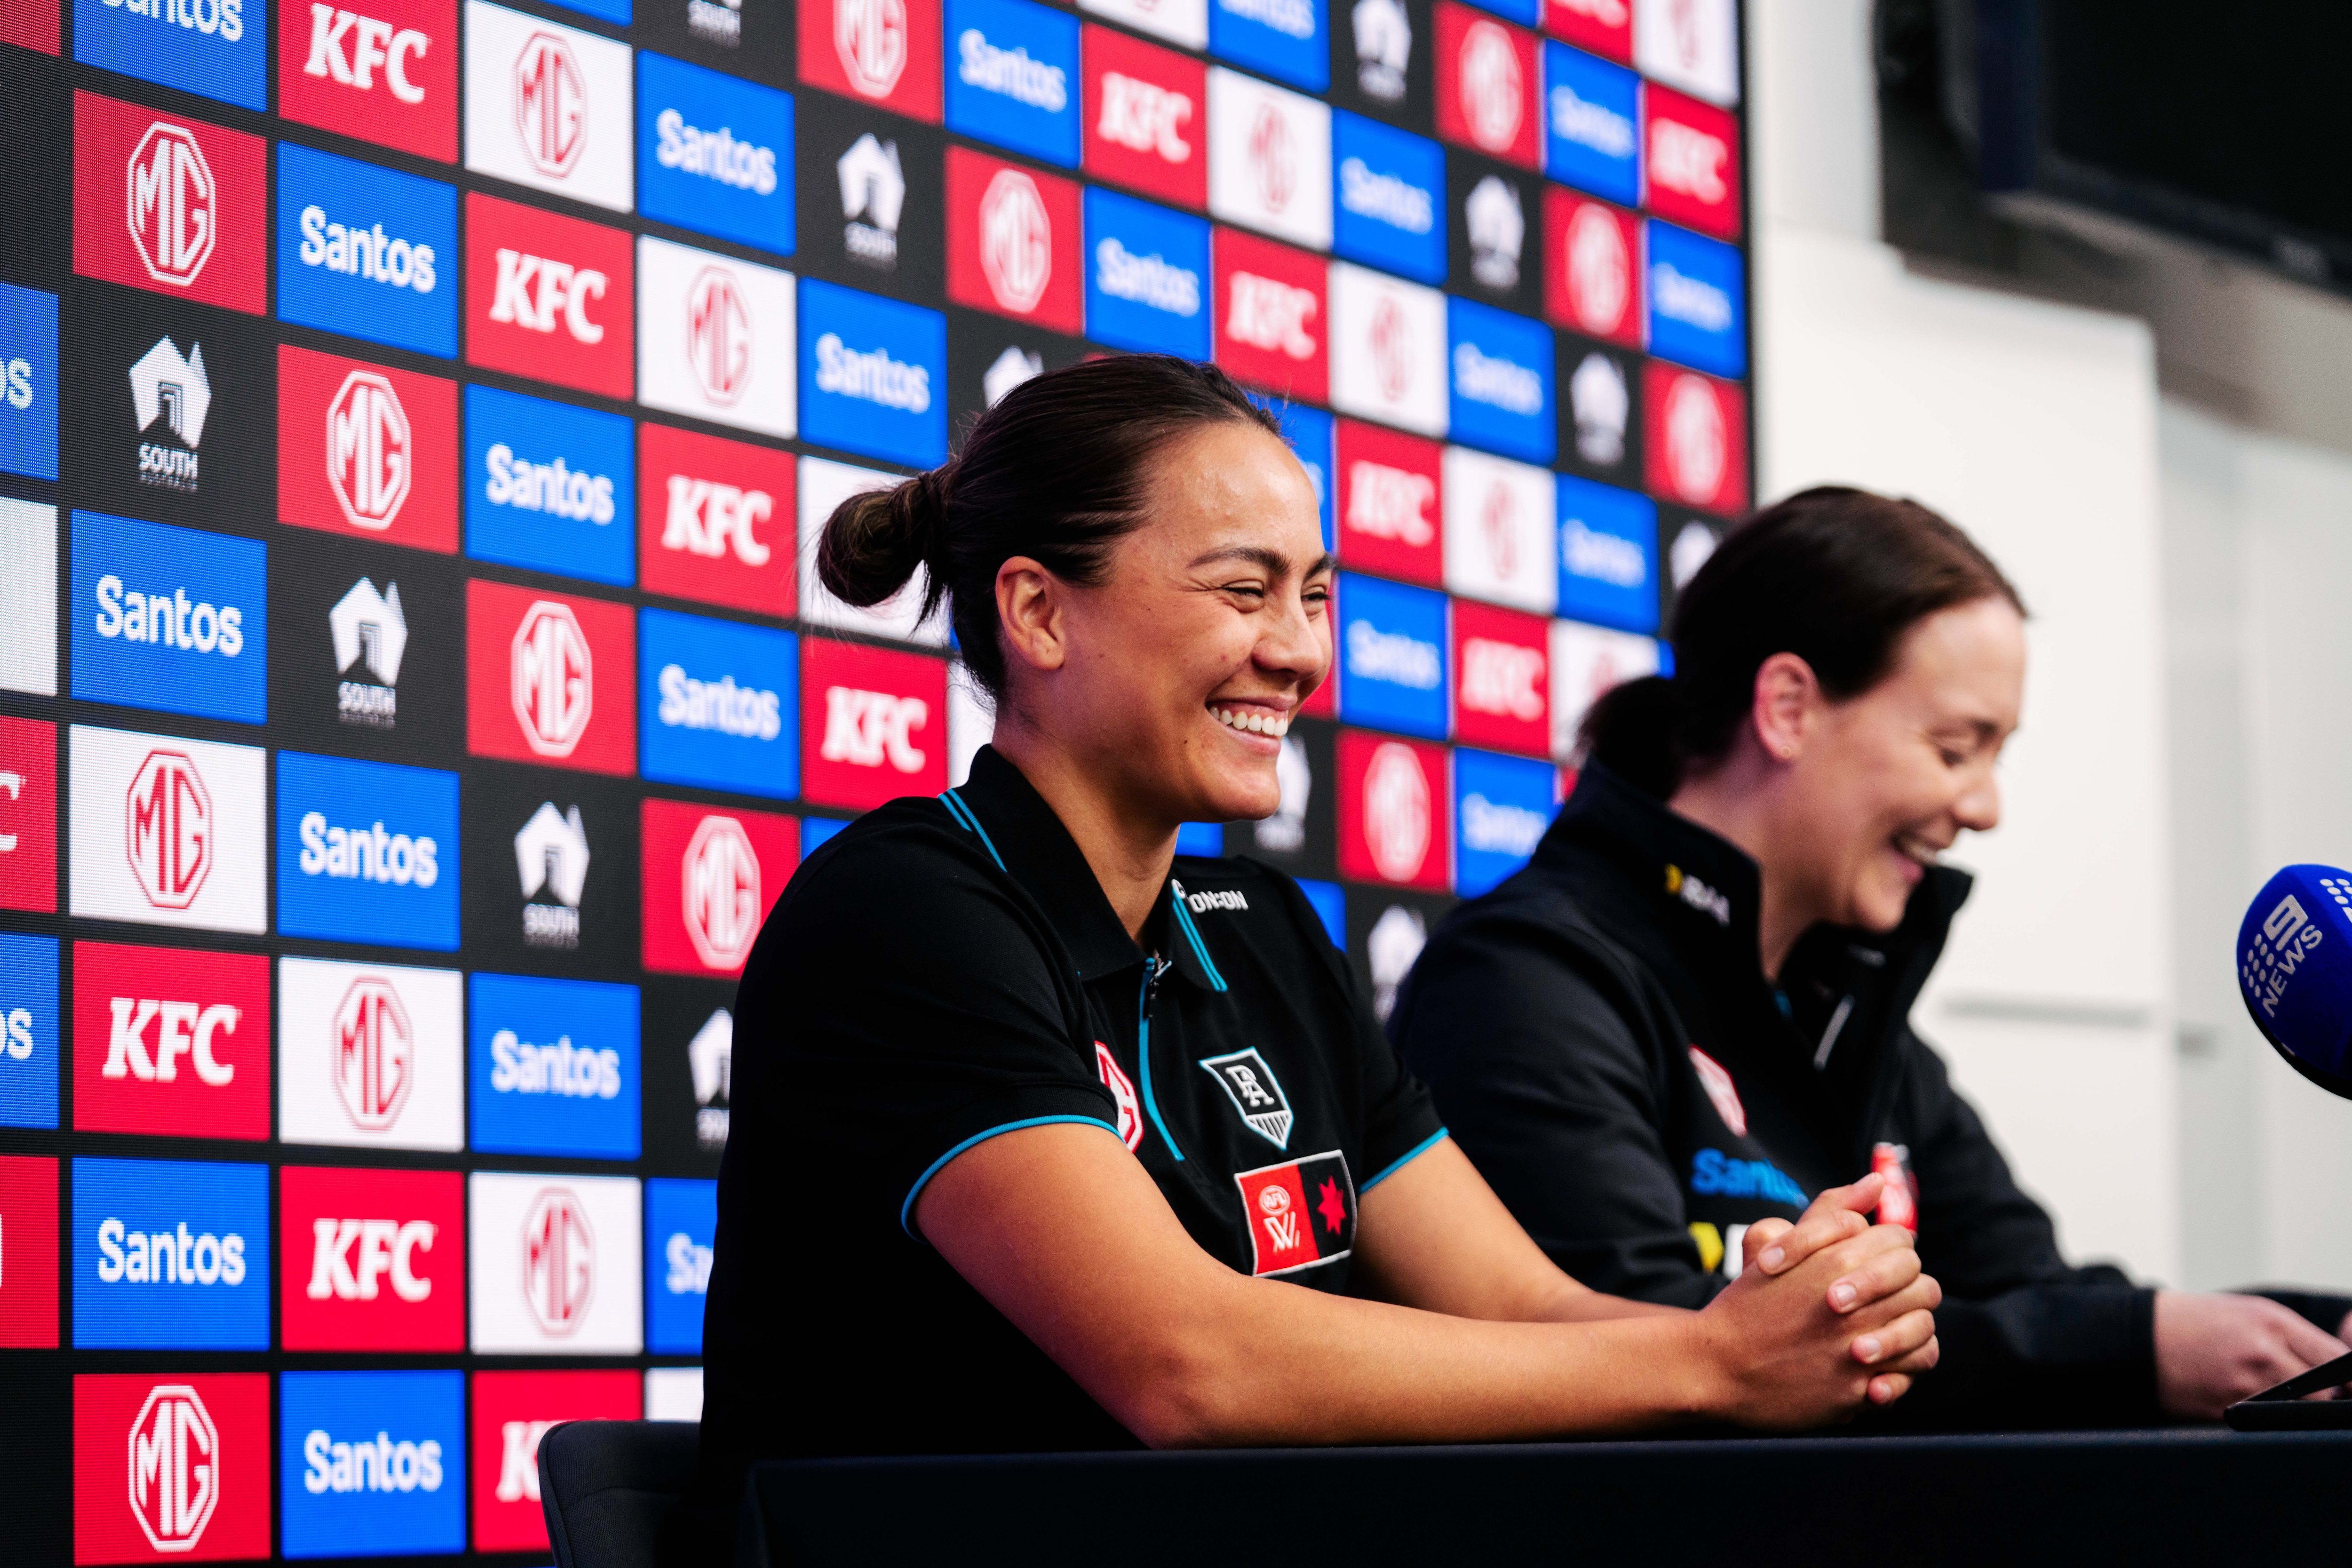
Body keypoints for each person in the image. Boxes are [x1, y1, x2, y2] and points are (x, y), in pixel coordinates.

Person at [679, 360, 1939, 1543]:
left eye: (1315, 594)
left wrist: (1777, 1324)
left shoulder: (1264, 929)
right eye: (1243, 588)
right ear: (1037, 612)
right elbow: (1188, 1362)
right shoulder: (905, 913)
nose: (1299, 649)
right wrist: (1707, 1367)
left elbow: (1524, 1302)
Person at [1390, 486, 2352, 1430]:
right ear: (1788, 706)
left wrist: (2309, 1334)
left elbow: (2034, 1292)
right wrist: (2134, 1344)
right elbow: (1647, 1360)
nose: (1983, 807)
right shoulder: (1523, 980)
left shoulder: (1849, 1002)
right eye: (1955, 746)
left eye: (1994, 755)